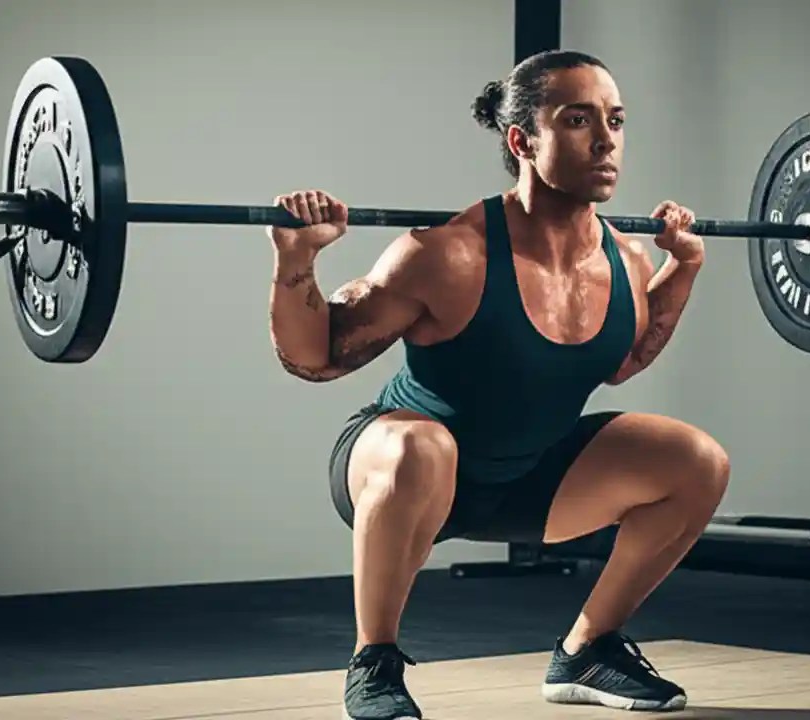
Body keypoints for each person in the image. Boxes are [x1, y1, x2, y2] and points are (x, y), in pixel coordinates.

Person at [267, 49, 730, 720]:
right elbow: (316, 358)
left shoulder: (626, 261)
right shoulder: (446, 255)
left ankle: (588, 650)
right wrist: (297, 261)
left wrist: (681, 270)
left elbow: (621, 360)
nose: (605, 139)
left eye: (615, 119)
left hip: (528, 478)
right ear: (523, 140)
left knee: (696, 463)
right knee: (423, 451)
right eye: (578, 119)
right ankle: (374, 664)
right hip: (400, 473)